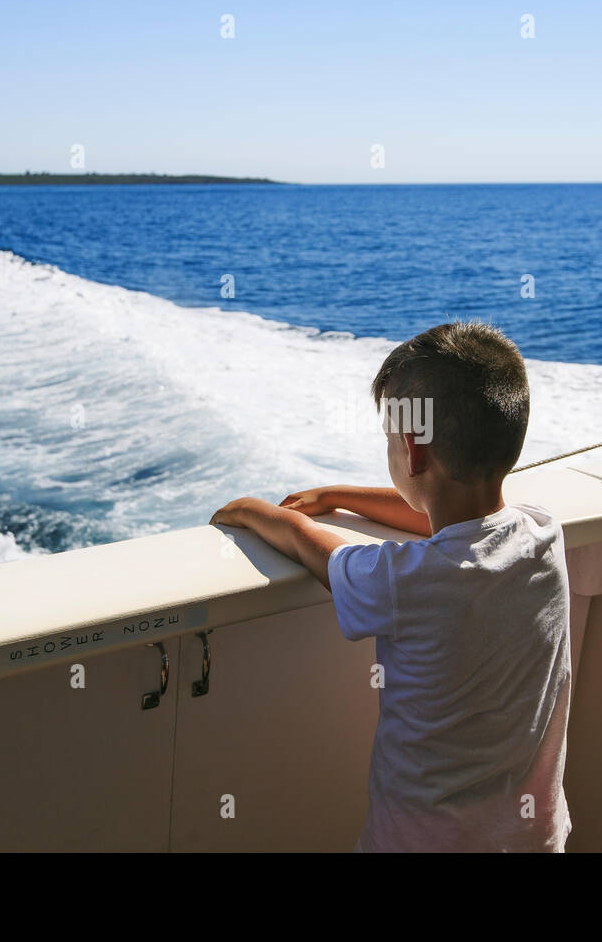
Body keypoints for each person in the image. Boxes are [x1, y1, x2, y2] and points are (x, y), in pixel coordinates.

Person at [210, 319, 572, 852]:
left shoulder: (407, 581)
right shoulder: (543, 532)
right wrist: (340, 495)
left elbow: (311, 546)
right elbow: (452, 522)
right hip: (532, 839)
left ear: (413, 449)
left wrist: (250, 509)